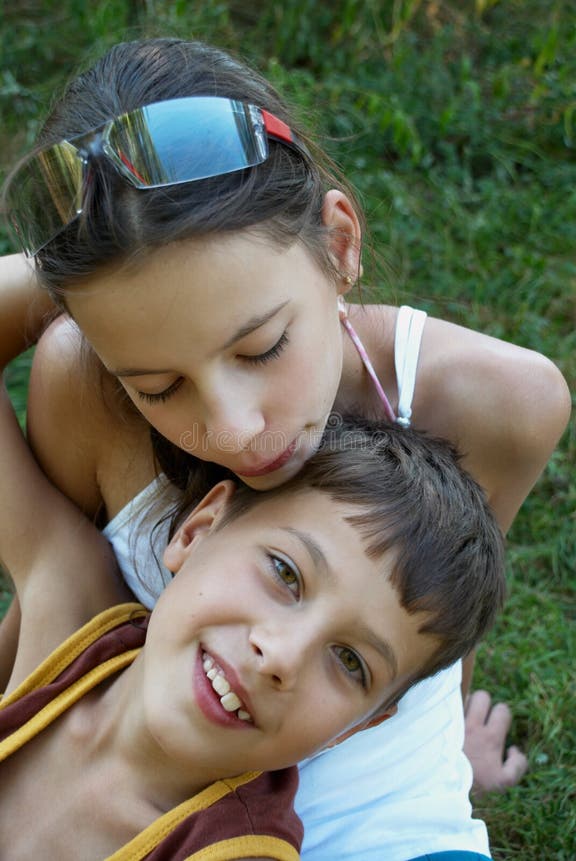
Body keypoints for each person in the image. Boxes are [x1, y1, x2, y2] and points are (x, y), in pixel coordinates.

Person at [0, 37, 570, 861]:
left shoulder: (501, 400)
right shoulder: (81, 380)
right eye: (158, 388)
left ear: (339, 246)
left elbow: (443, 602)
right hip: (149, 763)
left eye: (262, 347)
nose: (233, 430)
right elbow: (47, 614)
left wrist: (440, 753)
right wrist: (80, 282)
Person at [0, 354, 506, 860]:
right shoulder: (71, 610)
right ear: (197, 531)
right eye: (285, 573)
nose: (281, 656)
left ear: (356, 728)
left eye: (351, 662)